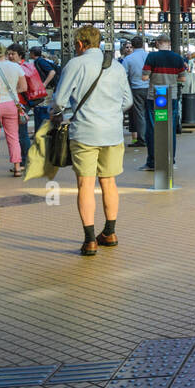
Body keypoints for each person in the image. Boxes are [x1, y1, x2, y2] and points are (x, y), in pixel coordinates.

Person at [49, 26, 132, 256]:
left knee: (85, 184)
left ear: (79, 44)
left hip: (85, 132)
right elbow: (127, 101)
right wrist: (109, 112)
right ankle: (110, 232)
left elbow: (60, 101)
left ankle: (89, 240)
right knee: (109, 182)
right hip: (112, 133)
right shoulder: (116, 66)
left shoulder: (75, 65)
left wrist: (55, 112)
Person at [140, 35, 186, 171]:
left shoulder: (152, 57)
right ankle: (171, 160)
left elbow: (144, 77)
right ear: (169, 43)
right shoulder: (178, 58)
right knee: (170, 129)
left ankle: (152, 162)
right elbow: (183, 79)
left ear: (158, 43)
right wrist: (171, 80)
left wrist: (154, 77)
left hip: (154, 97)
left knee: (153, 129)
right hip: (171, 97)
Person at [0, 44, 27, 176]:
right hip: (12, 104)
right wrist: (11, 92)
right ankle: (17, 167)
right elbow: (23, 87)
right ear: (6, 53)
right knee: (13, 137)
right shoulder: (16, 67)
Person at [121, 35, 148, 147]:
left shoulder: (128, 59)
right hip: (151, 89)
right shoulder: (149, 56)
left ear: (132, 45)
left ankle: (142, 139)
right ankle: (152, 137)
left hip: (136, 89)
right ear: (142, 44)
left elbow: (122, 76)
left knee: (140, 115)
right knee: (150, 113)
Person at [29, 46, 59, 132]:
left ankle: (43, 132)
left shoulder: (41, 61)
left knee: (43, 110)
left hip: (46, 89)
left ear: (33, 53)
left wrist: (44, 84)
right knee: (40, 109)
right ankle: (39, 131)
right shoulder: (38, 61)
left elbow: (52, 72)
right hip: (44, 89)